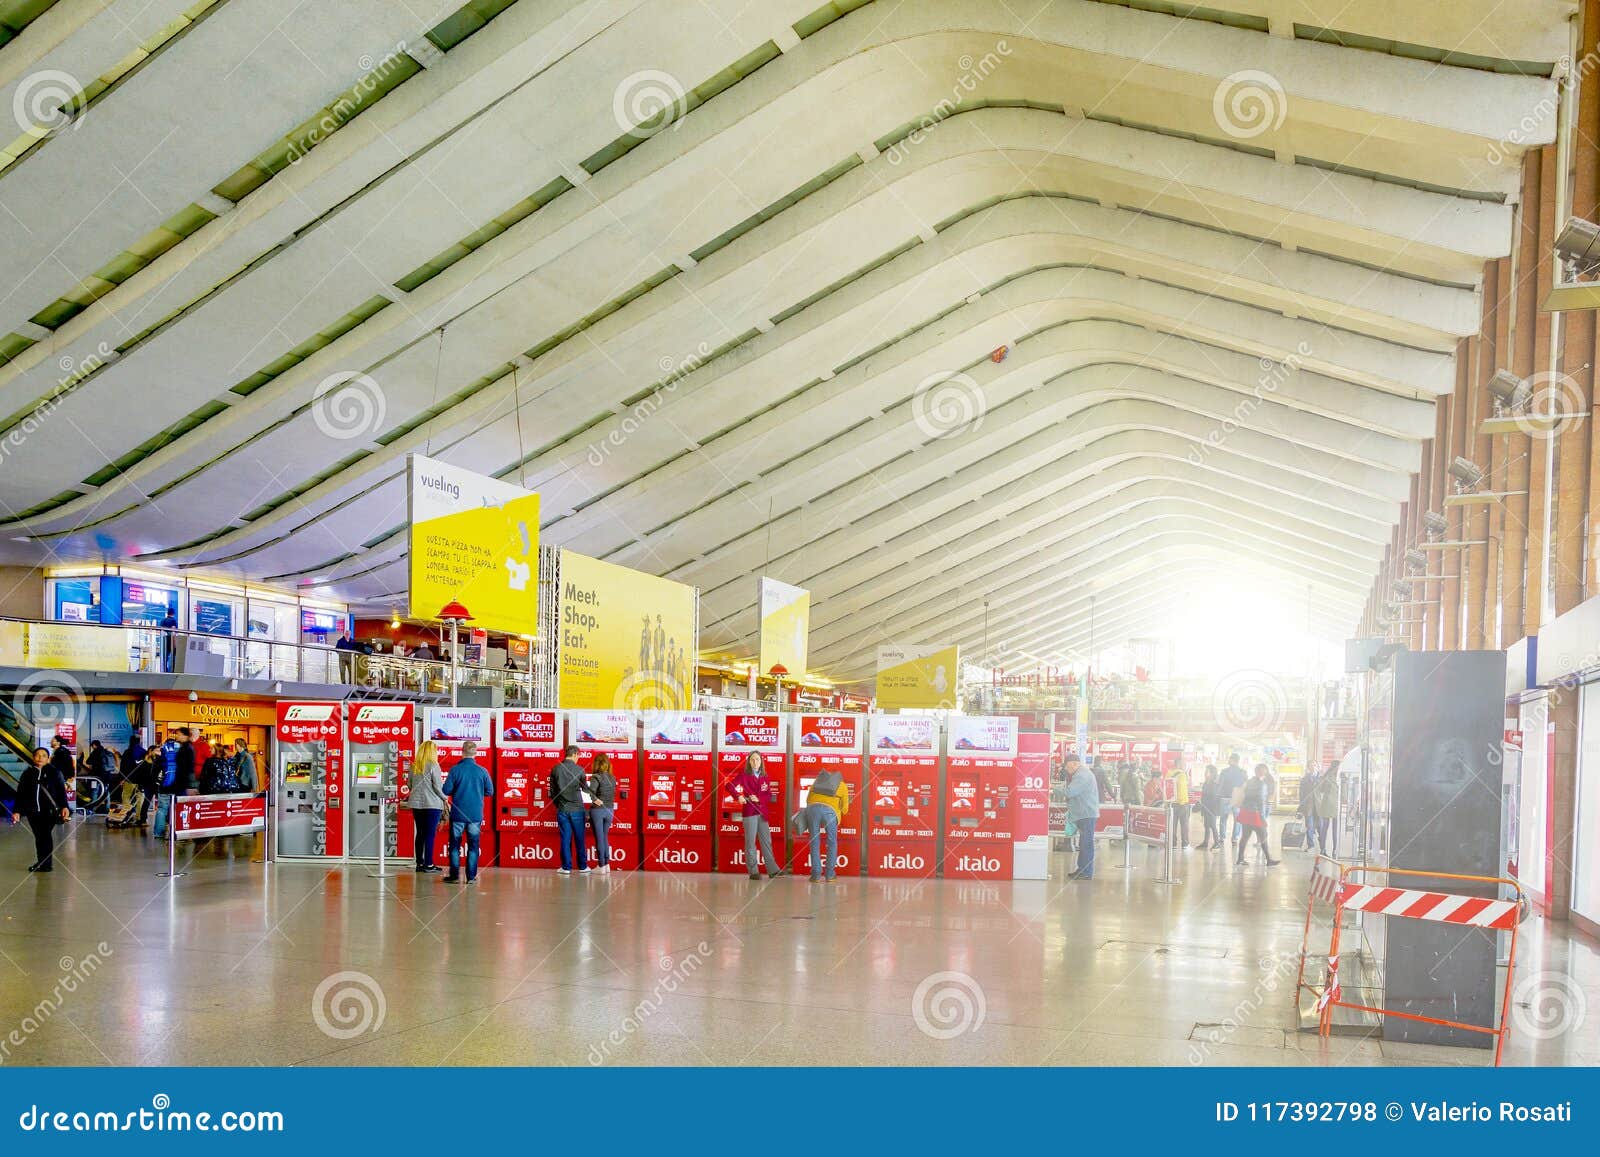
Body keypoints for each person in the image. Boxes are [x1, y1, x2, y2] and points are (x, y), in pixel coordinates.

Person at [441, 741, 493, 884]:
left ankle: (454, 876)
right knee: (473, 846)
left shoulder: (455, 770)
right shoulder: (482, 771)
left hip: (458, 814)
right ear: (475, 753)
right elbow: (490, 791)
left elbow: (445, 791)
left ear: (462, 752)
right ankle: (471, 877)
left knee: (454, 846)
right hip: (475, 815)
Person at [13, 748, 71, 871]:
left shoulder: (55, 773)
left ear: (48, 758)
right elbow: (21, 794)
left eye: (44, 755)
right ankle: (43, 863)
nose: (40, 758)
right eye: (37, 755)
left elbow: (61, 792)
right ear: (33, 758)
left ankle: (45, 864)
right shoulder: (27, 774)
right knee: (40, 837)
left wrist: (65, 807)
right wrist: (17, 811)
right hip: (32, 812)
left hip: (49, 812)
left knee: (44, 836)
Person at [730, 751, 783, 880]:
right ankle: (753, 871)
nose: (755, 762)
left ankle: (773, 870)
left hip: (762, 812)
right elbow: (729, 785)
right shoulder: (743, 775)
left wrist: (758, 798)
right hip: (749, 812)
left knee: (767, 841)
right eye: (753, 760)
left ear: (761, 762)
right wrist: (739, 796)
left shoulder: (765, 776)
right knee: (750, 842)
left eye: (758, 760)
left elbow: (768, 794)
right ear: (749, 761)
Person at [803, 766, 850, 882]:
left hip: (813, 809)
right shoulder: (842, 785)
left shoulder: (817, 781)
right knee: (832, 842)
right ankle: (829, 875)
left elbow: (808, 800)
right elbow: (845, 809)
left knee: (814, 841)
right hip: (830, 812)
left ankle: (816, 875)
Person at [549, 744, 589, 876]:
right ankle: (583, 866)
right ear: (575, 754)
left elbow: (552, 792)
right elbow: (585, 790)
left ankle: (566, 867)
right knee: (579, 838)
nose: (578, 758)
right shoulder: (580, 770)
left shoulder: (556, 769)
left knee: (565, 839)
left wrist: (559, 805)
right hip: (577, 809)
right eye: (579, 756)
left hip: (563, 810)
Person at [407, 739, 445, 873]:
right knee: (430, 834)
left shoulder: (414, 765)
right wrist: (445, 799)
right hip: (432, 804)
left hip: (416, 805)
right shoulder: (434, 765)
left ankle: (419, 863)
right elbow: (438, 787)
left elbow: (409, 784)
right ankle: (429, 864)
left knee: (420, 834)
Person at [154, 728, 197, 840]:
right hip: (178, 785)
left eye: (178, 734)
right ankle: (177, 831)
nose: (176, 736)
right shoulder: (186, 749)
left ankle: (159, 833)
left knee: (162, 809)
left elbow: (156, 769)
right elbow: (188, 769)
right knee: (177, 809)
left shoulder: (165, 754)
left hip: (166, 784)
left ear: (185, 735)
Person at [1235, 763, 1280, 867]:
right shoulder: (1262, 785)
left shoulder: (1249, 782)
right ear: (1263, 773)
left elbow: (1244, 795)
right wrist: (1263, 818)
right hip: (1255, 814)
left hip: (1245, 812)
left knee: (1245, 836)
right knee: (1263, 836)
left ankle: (1240, 858)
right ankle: (1269, 860)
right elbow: (1261, 802)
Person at [1063, 754, 1101, 880]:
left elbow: (1070, 792)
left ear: (1075, 764)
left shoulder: (1081, 775)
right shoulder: (1081, 773)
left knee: (1086, 844)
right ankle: (1082, 869)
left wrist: (1053, 788)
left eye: (1068, 767)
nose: (1067, 770)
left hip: (1087, 815)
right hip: (1084, 814)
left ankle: (1086, 872)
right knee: (1084, 843)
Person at [586, 753, 618, 873]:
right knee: (605, 837)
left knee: (599, 838)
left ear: (596, 764)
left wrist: (595, 800)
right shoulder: (612, 777)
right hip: (609, 810)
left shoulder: (596, 777)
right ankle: (607, 865)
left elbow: (591, 792)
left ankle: (601, 865)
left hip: (598, 811)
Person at [1308, 761, 1339, 856]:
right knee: (1335, 829)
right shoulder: (1340, 778)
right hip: (1336, 805)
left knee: (1324, 828)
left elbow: (1319, 789)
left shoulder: (1325, 777)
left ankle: (1323, 849)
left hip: (1325, 805)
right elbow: (1345, 794)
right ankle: (1335, 850)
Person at [1217, 753, 1248, 844]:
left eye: (1230, 759)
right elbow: (1245, 785)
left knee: (1223, 818)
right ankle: (1235, 838)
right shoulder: (1243, 772)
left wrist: (1218, 795)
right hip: (1237, 798)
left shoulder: (1224, 771)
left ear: (1234, 760)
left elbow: (1220, 784)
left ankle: (1222, 837)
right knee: (1237, 819)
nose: (1228, 760)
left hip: (1225, 797)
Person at [1198, 764, 1224, 850]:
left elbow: (1214, 797)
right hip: (1205, 808)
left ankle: (1217, 843)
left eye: (1207, 771)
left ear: (1212, 773)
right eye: (1205, 771)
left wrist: (1211, 809)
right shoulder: (1206, 783)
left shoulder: (1214, 784)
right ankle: (1205, 842)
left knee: (1213, 826)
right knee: (1206, 826)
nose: (1205, 773)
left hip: (1211, 809)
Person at [1168, 760, 1191, 850]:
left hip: (1172, 804)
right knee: (1184, 825)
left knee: (1173, 825)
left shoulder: (1169, 774)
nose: (1185, 766)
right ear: (1180, 764)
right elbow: (1186, 787)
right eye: (1184, 764)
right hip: (1183, 803)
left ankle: (1173, 844)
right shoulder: (1182, 774)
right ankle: (1185, 844)